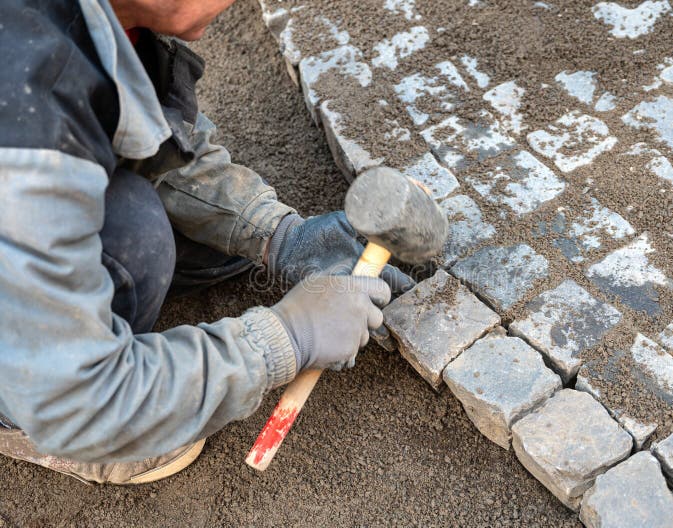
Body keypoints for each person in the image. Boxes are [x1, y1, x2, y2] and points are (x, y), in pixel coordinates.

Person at [0, 0, 414, 485]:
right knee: (137, 236)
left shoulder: (96, 19)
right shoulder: (27, 137)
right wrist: (286, 338)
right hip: (60, 377)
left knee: (165, 231)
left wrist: (277, 235)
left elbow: (149, 133)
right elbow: (78, 398)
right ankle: (15, 417)